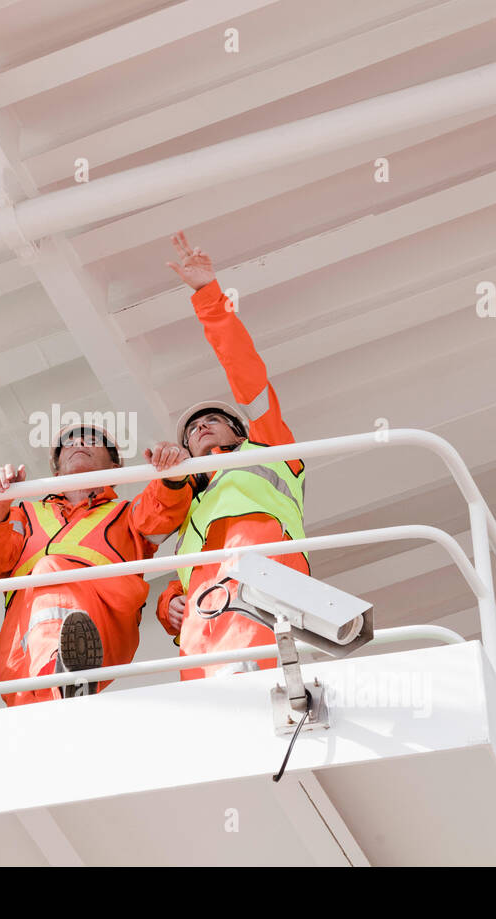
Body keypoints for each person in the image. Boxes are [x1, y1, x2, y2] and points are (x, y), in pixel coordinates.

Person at [155, 231, 309, 680]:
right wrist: (168, 604)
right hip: (205, 632)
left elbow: (243, 365)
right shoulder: (191, 504)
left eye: (212, 420)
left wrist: (207, 294)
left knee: (261, 690)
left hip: (265, 596)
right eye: (192, 429)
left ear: (240, 430)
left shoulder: (270, 445)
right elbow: (184, 574)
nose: (200, 426)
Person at [0, 425, 190, 706]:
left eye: (93, 440)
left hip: (99, 625)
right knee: (26, 699)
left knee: (49, 568)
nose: (79, 442)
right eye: (69, 442)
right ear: (56, 473)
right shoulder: (23, 513)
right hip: (23, 633)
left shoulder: (127, 513)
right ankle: (60, 692)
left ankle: (62, 681)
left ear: (115, 465)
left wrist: (172, 476)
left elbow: (161, 514)